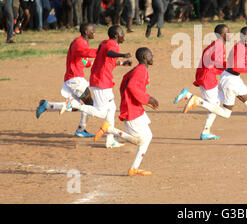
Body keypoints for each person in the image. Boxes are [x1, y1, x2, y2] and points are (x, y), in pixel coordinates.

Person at [177, 27, 247, 145]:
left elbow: (237, 59)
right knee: (237, 109)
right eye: (245, 36)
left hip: (232, 79)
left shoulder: (241, 47)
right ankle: (198, 101)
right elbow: (235, 66)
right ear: (241, 36)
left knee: (241, 108)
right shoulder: (233, 46)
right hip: (230, 80)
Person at [61, 25, 132, 148]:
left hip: (99, 80)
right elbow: (109, 53)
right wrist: (122, 55)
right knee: (99, 111)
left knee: (111, 109)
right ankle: (73, 105)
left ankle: (110, 140)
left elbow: (100, 60)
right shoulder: (110, 45)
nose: (124, 38)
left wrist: (122, 62)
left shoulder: (103, 43)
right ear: (116, 36)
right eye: (122, 35)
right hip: (96, 81)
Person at [94, 47, 159, 176]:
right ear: (145, 58)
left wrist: (143, 102)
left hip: (135, 108)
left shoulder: (138, 70)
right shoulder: (141, 70)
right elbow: (131, 86)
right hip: (132, 110)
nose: (153, 57)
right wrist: (147, 98)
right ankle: (110, 129)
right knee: (140, 141)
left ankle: (134, 168)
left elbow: (125, 84)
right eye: (151, 55)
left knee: (148, 137)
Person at [35, 23, 98, 137]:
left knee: (74, 107)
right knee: (90, 104)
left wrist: (97, 63)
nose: (94, 32)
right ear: (85, 31)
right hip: (75, 79)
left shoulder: (83, 43)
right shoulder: (79, 42)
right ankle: (80, 130)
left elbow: (85, 61)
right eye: (92, 30)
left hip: (73, 79)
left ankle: (47, 105)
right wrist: (100, 52)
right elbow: (83, 53)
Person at [174, 24, 229, 140]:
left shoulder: (216, 44)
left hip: (206, 75)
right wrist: (230, 65)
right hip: (207, 77)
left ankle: (206, 130)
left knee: (214, 105)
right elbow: (217, 60)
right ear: (223, 34)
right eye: (228, 32)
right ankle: (195, 99)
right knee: (214, 106)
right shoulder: (219, 45)